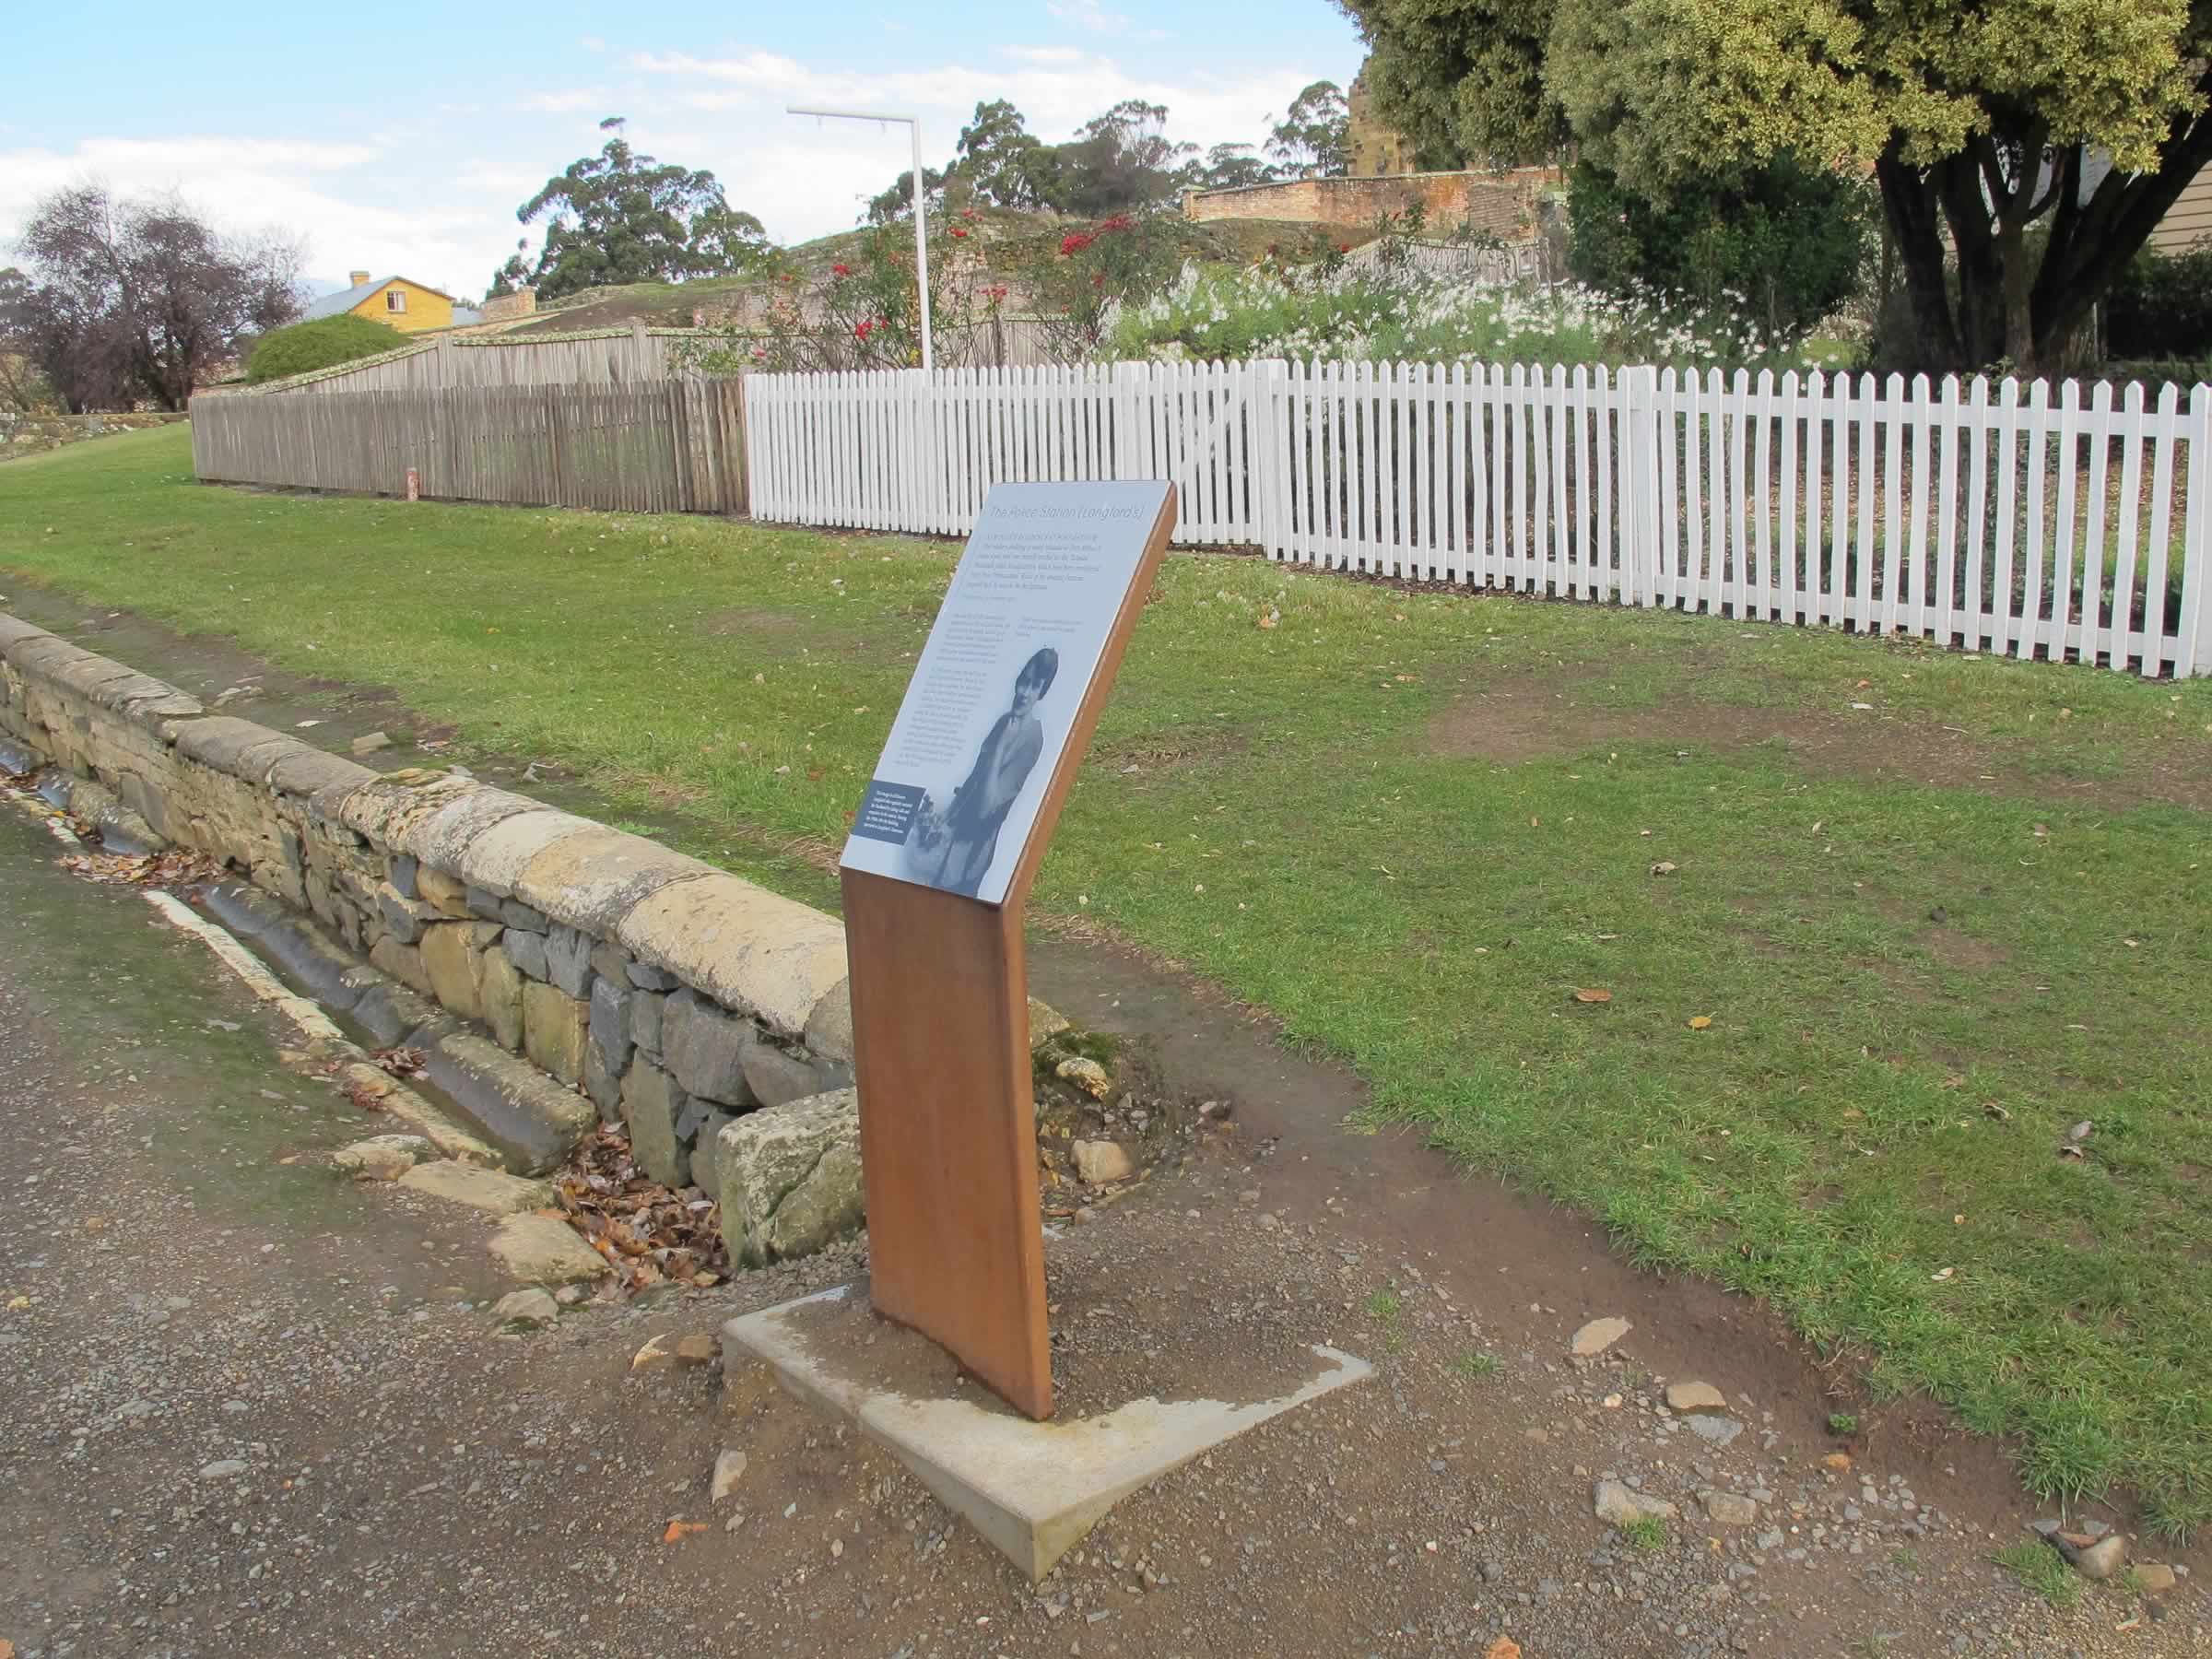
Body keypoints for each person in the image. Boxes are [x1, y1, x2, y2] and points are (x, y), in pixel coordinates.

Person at [904, 647, 1059, 898]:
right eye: (1023, 682)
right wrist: (946, 816)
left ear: (1043, 692)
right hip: (951, 838)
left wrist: (1000, 747)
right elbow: (974, 778)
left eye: (1034, 686)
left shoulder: (1032, 739)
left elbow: (987, 807)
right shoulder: (1004, 722)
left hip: (971, 849)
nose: (1024, 693)